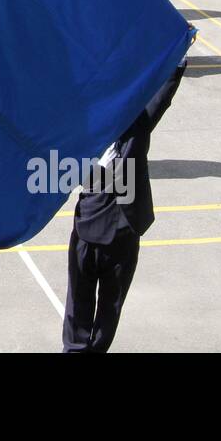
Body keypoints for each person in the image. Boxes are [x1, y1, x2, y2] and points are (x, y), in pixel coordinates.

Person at [63, 59, 188, 353]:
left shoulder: (136, 128)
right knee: (78, 301)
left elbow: (162, 97)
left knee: (111, 305)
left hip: (125, 231)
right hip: (89, 230)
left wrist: (178, 60)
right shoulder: (83, 135)